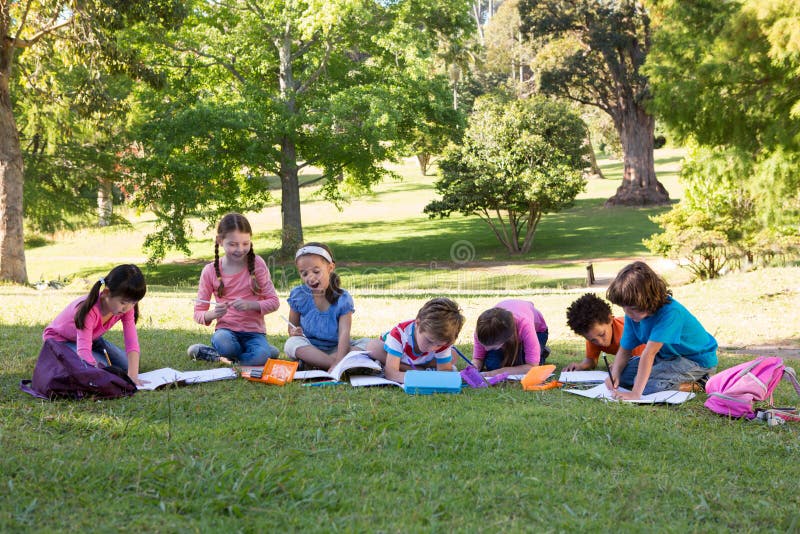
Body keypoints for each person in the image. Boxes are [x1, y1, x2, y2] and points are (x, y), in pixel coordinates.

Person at [604, 261, 717, 400]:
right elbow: (625, 349)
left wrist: (635, 394)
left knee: (649, 387)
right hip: (666, 357)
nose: (628, 313)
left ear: (649, 299)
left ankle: (701, 383)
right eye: (624, 308)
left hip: (695, 360)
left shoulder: (671, 313)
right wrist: (615, 373)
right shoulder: (632, 316)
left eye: (633, 308)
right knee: (622, 376)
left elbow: (649, 354)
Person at [188, 213, 280, 365]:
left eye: (245, 243)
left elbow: (274, 302)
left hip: (254, 333)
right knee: (225, 344)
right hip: (226, 332)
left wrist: (250, 305)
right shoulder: (210, 271)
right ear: (220, 241)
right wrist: (214, 313)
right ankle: (261, 353)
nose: (240, 249)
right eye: (233, 244)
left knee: (260, 357)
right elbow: (198, 313)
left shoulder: (257, 264)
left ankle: (218, 357)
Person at [43, 264, 147, 385]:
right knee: (103, 369)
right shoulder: (89, 310)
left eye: (133, 303)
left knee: (128, 365)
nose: (128, 308)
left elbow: (131, 342)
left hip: (91, 339)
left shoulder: (126, 308)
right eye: (123, 302)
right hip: (59, 341)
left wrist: (133, 375)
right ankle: (57, 360)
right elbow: (84, 352)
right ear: (107, 293)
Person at [284, 243, 366, 370]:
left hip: (337, 348)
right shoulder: (299, 295)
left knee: (367, 344)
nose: (311, 277)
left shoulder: (343, 298)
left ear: (330, 267)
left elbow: (344, 334)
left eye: (316, 272)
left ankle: (316, 363)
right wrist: (294, 332)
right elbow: (292, 328)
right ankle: (337, 365)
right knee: (291, 344)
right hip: (310, 348)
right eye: (304, 274)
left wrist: (339, 358)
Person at [365, 297, 465, 384]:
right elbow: (391, 374)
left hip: (421, 360)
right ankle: (411, 367)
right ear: (417, 323)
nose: (432, 348)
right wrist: (421, 376)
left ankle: (412, 367)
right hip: (394, 355)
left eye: (438, 345)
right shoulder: (399, 334)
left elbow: (444, 372)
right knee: (373, 347)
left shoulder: (443, 338)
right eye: (429, 341)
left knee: (453, 355)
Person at [564, 293, 645, 371]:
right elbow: (591, 360)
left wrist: (618, 365)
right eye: (593, 340)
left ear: (610, 319)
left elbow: (640, 362)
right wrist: (581, 366)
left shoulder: (628, 333)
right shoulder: (594, 335)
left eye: (602, 334)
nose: (600, 342)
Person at [473, 299, 549, 377]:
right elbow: (478, 358)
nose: (485, 349)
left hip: (538, 332)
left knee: (521, 363)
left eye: (493, 347)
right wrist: (474, 366)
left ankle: (539, 351)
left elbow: (532, 366)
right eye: (483, 345)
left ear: (506, 339)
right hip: (507, 333)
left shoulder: (525, 325)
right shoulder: (482, 330)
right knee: (492, 365)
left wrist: (496, 372)